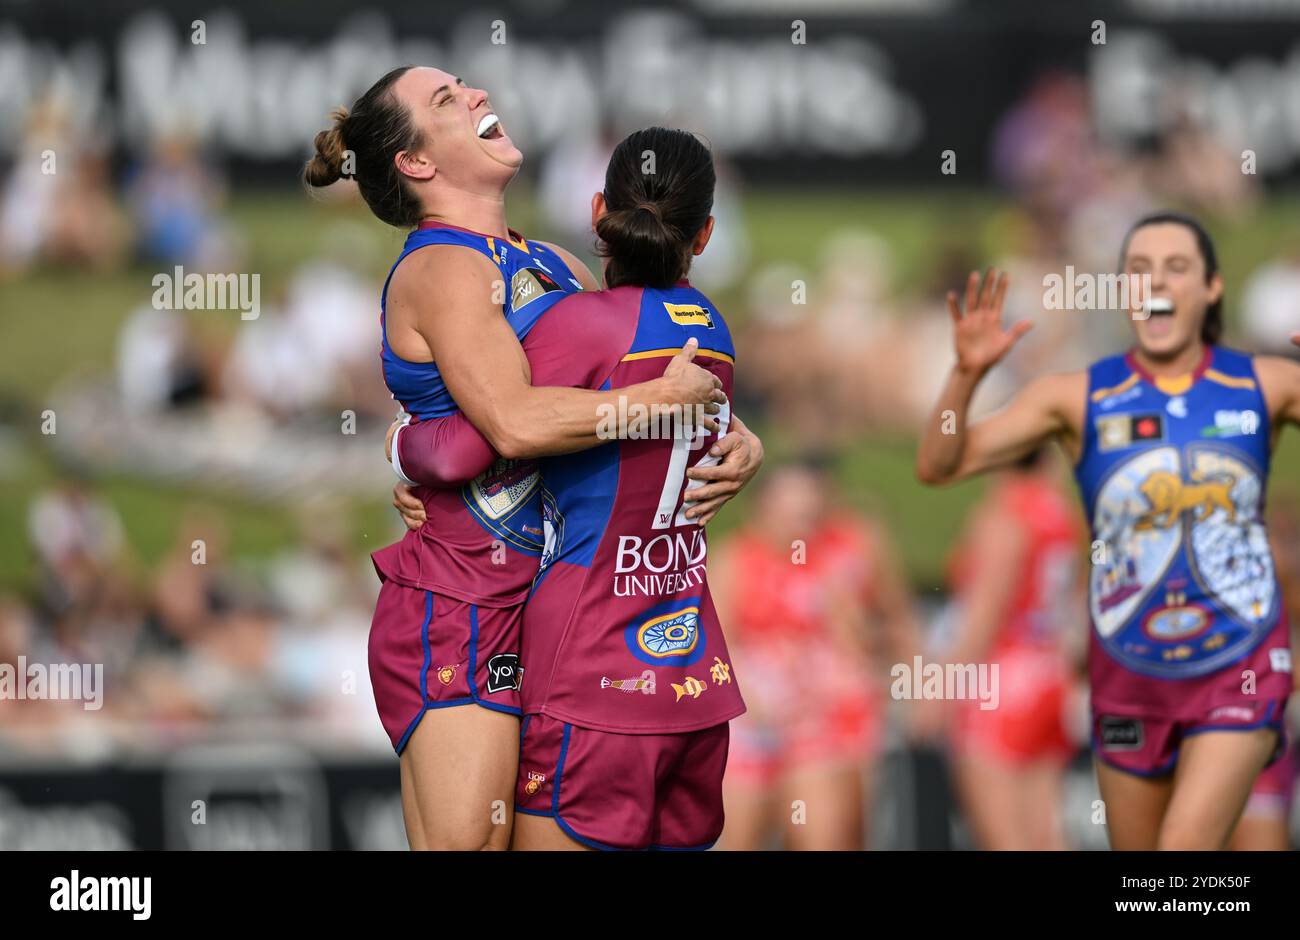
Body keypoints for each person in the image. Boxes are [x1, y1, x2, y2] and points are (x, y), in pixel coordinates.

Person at [305, 68, 762, 850]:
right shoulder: (442, 267)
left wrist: (733, 432)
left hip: (557, 608)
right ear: (417, 163)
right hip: (464, 607)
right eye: (446, 101)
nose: (476, 94)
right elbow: (513, 425)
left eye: (463, 85)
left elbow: (629, 371)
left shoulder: (552, 261)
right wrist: (657, 404)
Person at [916, 211, 1300, 850]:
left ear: (1211, 288)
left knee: (1180, 858)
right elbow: (940, 464)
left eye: (1176, 267)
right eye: (1139, 269)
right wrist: (966, 375)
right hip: (1129, 670)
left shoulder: (1263, 383)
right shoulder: (1076, 396)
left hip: (1241, 659)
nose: (1156, 282)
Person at [711, 461, 926, 851]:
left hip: (816, 720)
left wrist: (899, 670)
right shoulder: (734, 561)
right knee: (741, 836)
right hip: (752, 722)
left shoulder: (835, 558)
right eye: (792, 516)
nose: (802, 527)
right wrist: (754, 702)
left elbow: (870, 633)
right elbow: (717, 650)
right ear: (762, 511)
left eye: (810, 516)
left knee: (828, 831)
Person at [943, 448, 1084, 850]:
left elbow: (986, 611)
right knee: (1047, 832)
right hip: (1050, 674)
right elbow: (1072, 609)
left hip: (1002, 681)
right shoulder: (1059, 514)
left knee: (1004, 836)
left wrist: (939, 688)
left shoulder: (1004, 516)